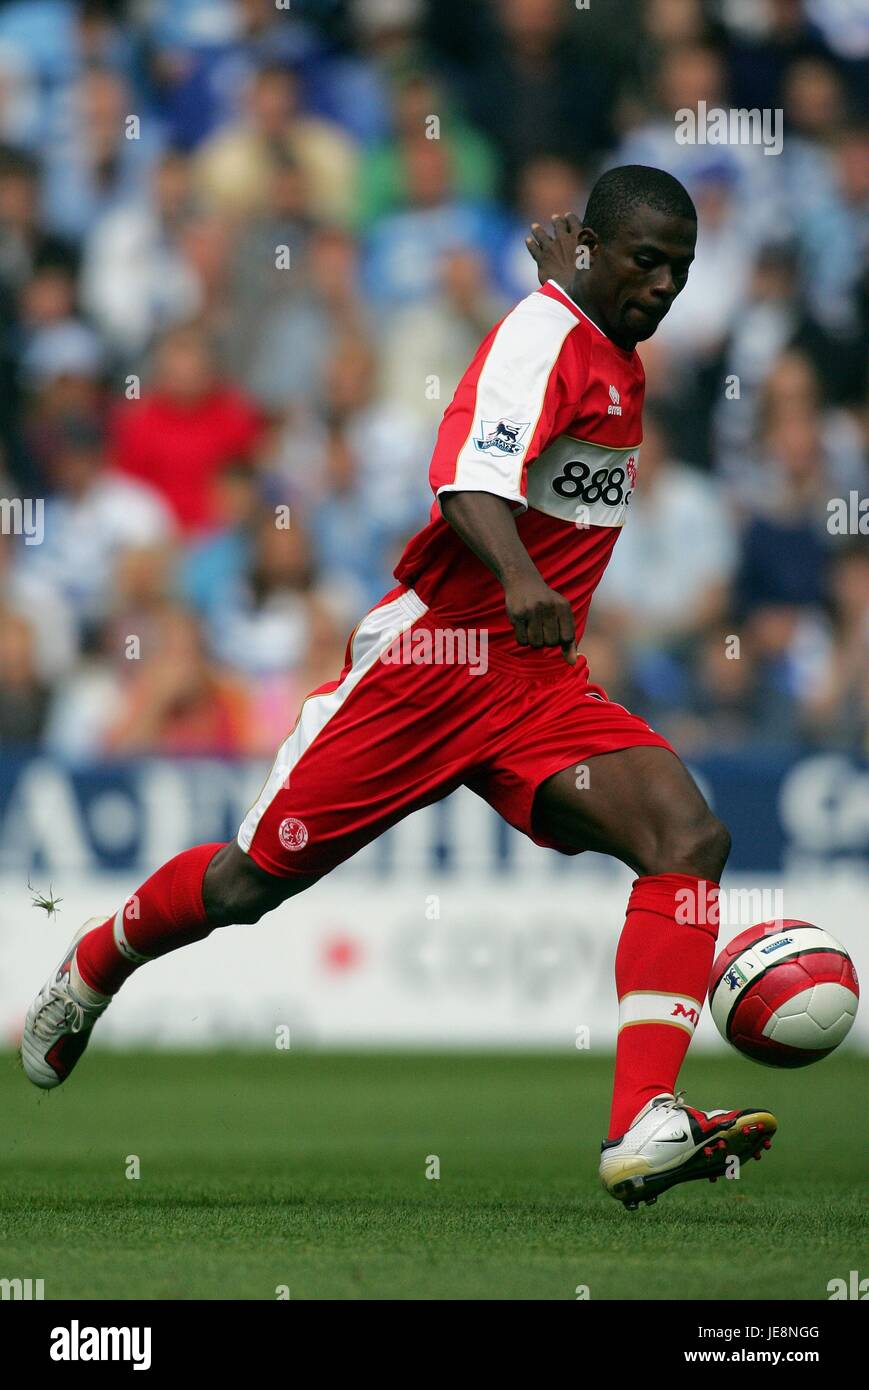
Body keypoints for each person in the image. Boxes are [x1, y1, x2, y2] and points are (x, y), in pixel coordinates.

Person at [21, 165, 776, 1210]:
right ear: (597, 251)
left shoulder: (587, 337)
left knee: (685, 840)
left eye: (679, 270)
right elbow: (464, 474)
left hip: (534, 687)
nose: (662, 286)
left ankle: (640, 1120)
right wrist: (517, 578)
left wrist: (571, 285)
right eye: (643, 262)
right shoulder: (543, 338)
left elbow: (566, 336)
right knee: (247, 887)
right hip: (431, 670)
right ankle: (96, 963)